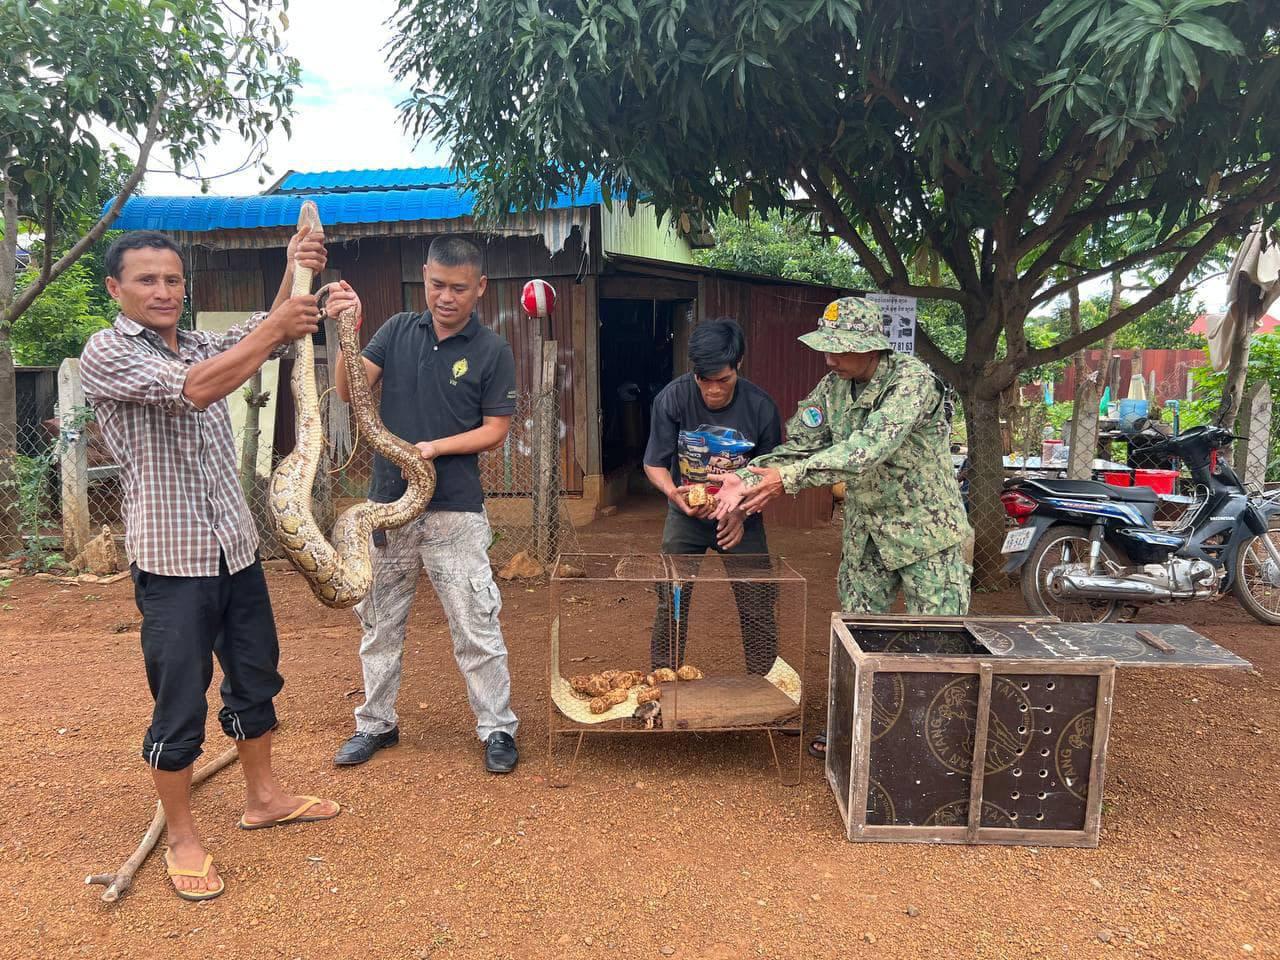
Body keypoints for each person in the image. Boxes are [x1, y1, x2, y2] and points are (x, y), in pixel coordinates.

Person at [79, 229, 340, 902]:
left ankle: (264, 797)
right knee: (179, 702)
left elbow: (268, 331)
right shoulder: (107, 354)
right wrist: (278, 325)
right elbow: (196, 390)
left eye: (172, 279)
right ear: (116, 289)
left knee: (256, 678)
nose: (164, 291)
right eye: (147, 281)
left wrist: (293, 273)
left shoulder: (196, 339)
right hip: (173, 563)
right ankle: (183, 836)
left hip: (235, 549)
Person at [711, 297, 972, 757]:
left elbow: (868, 449)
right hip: (867, 535)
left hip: (925, 533)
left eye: (840, 348)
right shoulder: (833, 387)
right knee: (858, 634)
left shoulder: (911, 381)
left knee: (938, 637)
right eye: (826, 348)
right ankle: (855, 731)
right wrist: (748, 475)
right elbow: (801, 447)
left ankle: (936, 746)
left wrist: (783, 480)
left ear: (871, 346)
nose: (829, 358)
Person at [323, 237, 520, 774]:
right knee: (380, 623)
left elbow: (495, 429)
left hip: (455, 510)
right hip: (388, 507)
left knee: (475, 624)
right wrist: (348, 332)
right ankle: (375, 725)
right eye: (437, 285)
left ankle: (497, 728)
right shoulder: (396, 332)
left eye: (459, 288)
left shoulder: (491, 350)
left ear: (479, 288)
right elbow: (349, 391)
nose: (446, 297)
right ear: (425, 278)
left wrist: (432, 450)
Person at [642, 318, 783, 674]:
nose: (714, 390)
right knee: (671, 597)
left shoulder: (761, 407)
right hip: (685, 516)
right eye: (705, 381)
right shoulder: (672, 398)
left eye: (724, 380)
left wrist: (740, 514)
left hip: (741, 518)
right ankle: (665, 679)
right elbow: (654, 463)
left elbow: (771, 477)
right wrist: (673, 493)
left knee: (756, 600)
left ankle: (763, 682)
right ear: (695, 372)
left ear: (738, 366)